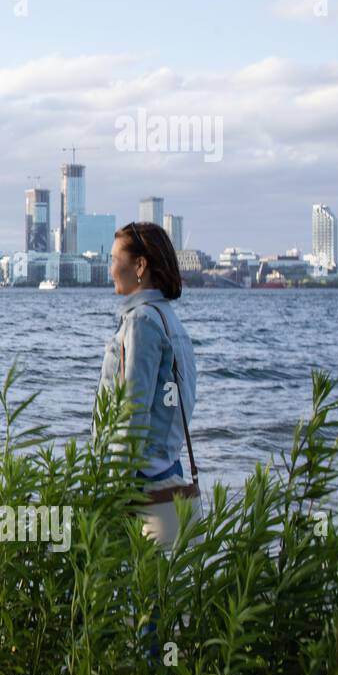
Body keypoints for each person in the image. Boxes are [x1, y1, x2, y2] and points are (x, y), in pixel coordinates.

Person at [98, 221, 203, 549]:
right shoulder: (170, 320)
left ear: (139, 266)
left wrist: (113, 490)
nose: (110, 268)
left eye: (115, 259)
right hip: (168, 468)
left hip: (140, 484)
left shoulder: (142, 321)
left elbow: (133, 410)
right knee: (158, 589)